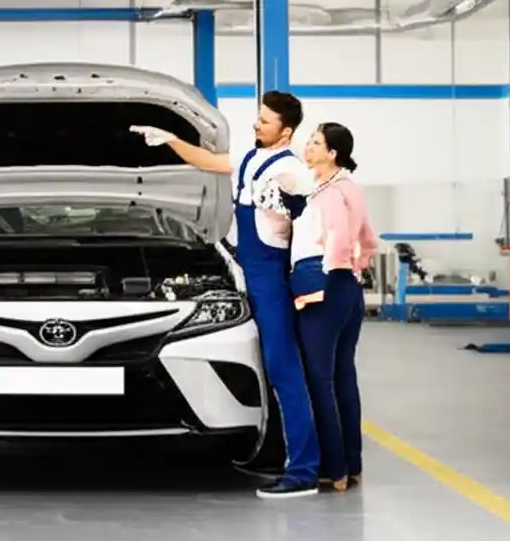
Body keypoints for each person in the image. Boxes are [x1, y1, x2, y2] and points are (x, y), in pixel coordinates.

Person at [130, 91, 320, 499]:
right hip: (245, 271)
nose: (256, 124)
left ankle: (303, 469)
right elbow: (210, 162)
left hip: (271, 277)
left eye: (265, 121)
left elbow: (318, 205)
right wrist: (169, 139)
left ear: (285, 131)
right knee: (267, 369)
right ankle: (272, 455)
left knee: (283, 369)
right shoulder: (253, 159)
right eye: (258, 117)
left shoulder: (290, 169)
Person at [286, 121, 376, 492]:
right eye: (309, 140)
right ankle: (351, 464)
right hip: (349, 287)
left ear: (332, 153)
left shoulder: (326, 193)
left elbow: (338, 236)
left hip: (324, 285)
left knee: (318, 378)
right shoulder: (348, 187)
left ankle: (331, 468)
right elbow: (368, 238)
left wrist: (322, 280)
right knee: (342, 375)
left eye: (316, 142)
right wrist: (353, 270)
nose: (308, 146)